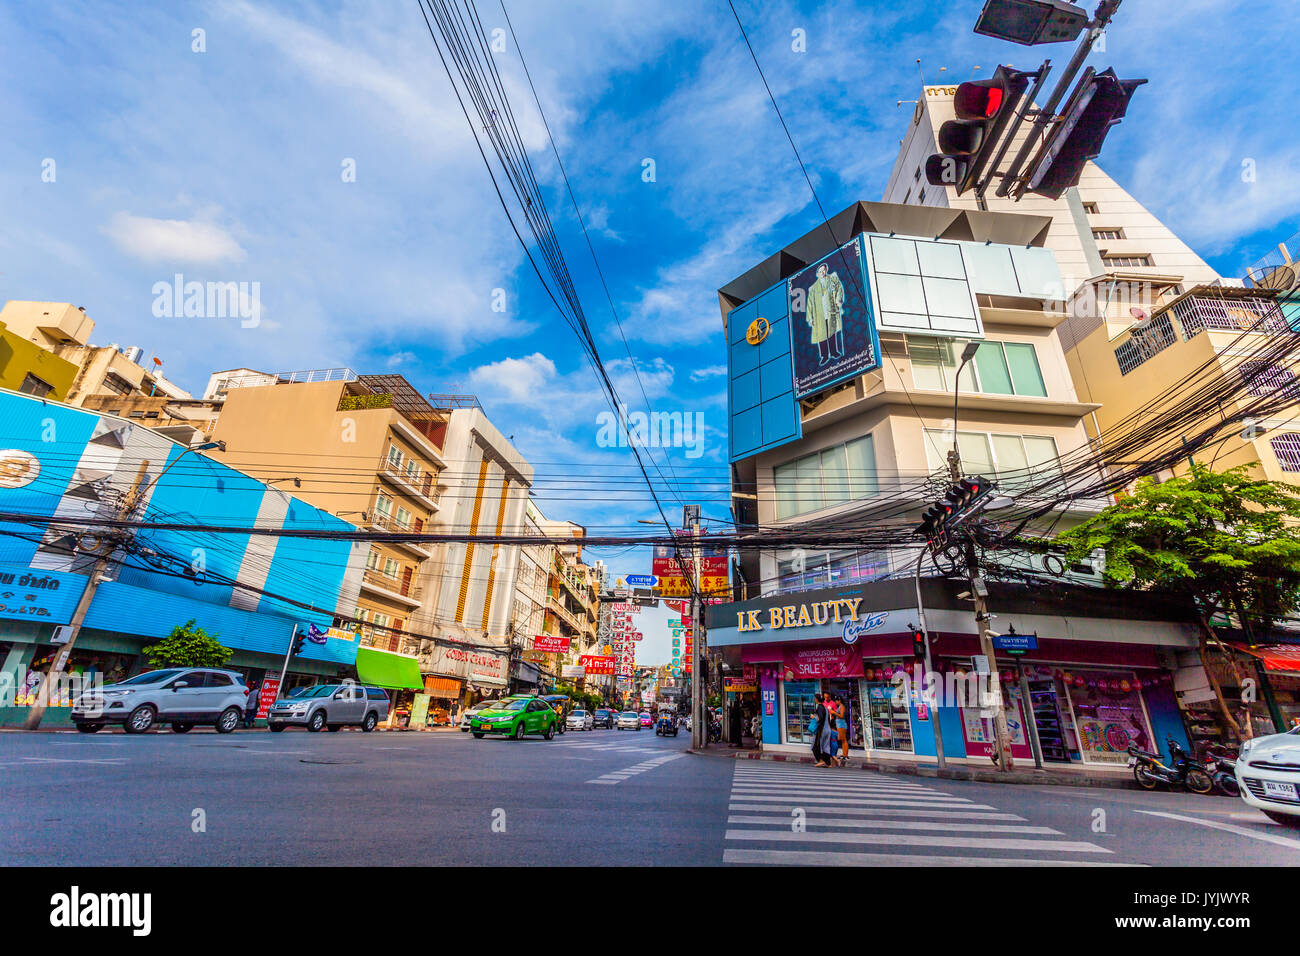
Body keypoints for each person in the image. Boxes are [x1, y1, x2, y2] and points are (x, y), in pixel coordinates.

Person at [811, 693, 828, 766]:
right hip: (822, 729)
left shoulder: (820, 707)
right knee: (819, 746)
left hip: (820, 729)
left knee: (815, 747)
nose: (814, 699)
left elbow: (820, 718)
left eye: (815, 698)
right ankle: (824, 761)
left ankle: (821, 760)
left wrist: (813, 717)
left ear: (817, 699)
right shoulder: (823, 707)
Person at [835, 696, 850, 765]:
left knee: (844, 740)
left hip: (841, 725)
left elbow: (841, 716)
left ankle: (845, 755)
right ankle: (844, 754)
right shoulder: (840, 706)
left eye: (836, 701)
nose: (836, 702)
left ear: (839, 700)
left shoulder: (842, 706)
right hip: (839, 725)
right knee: (842, 740)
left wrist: (833, 712)